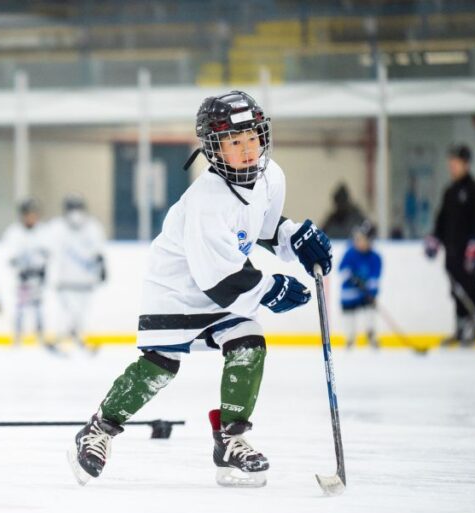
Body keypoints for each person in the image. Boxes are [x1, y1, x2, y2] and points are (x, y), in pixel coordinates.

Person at [68, 90, 333, 488]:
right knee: (160, 364)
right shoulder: (205, 201)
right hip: (177, 285)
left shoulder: (270, 175)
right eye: (234, 143)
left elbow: (257, 227)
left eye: (252, 139)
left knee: (248, 344)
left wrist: (293, 237)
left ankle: (230, 439)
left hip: (223, 279)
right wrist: (271, 288)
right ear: (214, 148)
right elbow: (220, 280)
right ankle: (98, 429)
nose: (247, 150)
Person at [425, 144, 475, 347]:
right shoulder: (449, 191)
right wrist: (435, 239)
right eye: (450, 163)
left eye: (455, 162)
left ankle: (472, 326)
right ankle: (460, 328)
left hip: (466, 251)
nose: (451, 166)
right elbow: (441, 219)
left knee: (468, 285)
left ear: (465, 163)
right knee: (455, 288)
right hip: (451, 250)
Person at [49, 194, 107, 354]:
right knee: (67, 313)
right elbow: (51, 253)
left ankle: (74, 338)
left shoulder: (93, 227)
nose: (75, 214)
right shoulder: (57, 228)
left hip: (86, 281)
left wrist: (102, 268)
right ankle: (65, 339)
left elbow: (98, 252)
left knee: (80, 313)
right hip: (65, 281)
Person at [1, 199, 52, 348]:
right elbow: (10, 256)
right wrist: (20, 270)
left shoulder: (43, 231)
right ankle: (17, 336)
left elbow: (47, 253)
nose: (31, 218)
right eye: (28, 214)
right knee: (21, 306)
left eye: (34, 214)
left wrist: (41, 269)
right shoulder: (14, 232)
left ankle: (40, 335)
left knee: (38, 306)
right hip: (21, 278)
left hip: (38, 277)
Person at [338, 221, 382, 349]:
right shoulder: (350, 253)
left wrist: (372, 293)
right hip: (348, 294)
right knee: (349, 315)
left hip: (365, 293)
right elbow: (342, 270)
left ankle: (371, 333)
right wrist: (353, 279)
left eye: (363, 239)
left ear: (370, 241)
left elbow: (375, 278)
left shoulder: (375, 258)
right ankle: (350, 338)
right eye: (358, 238)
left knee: (370, 309)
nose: (359, 241)